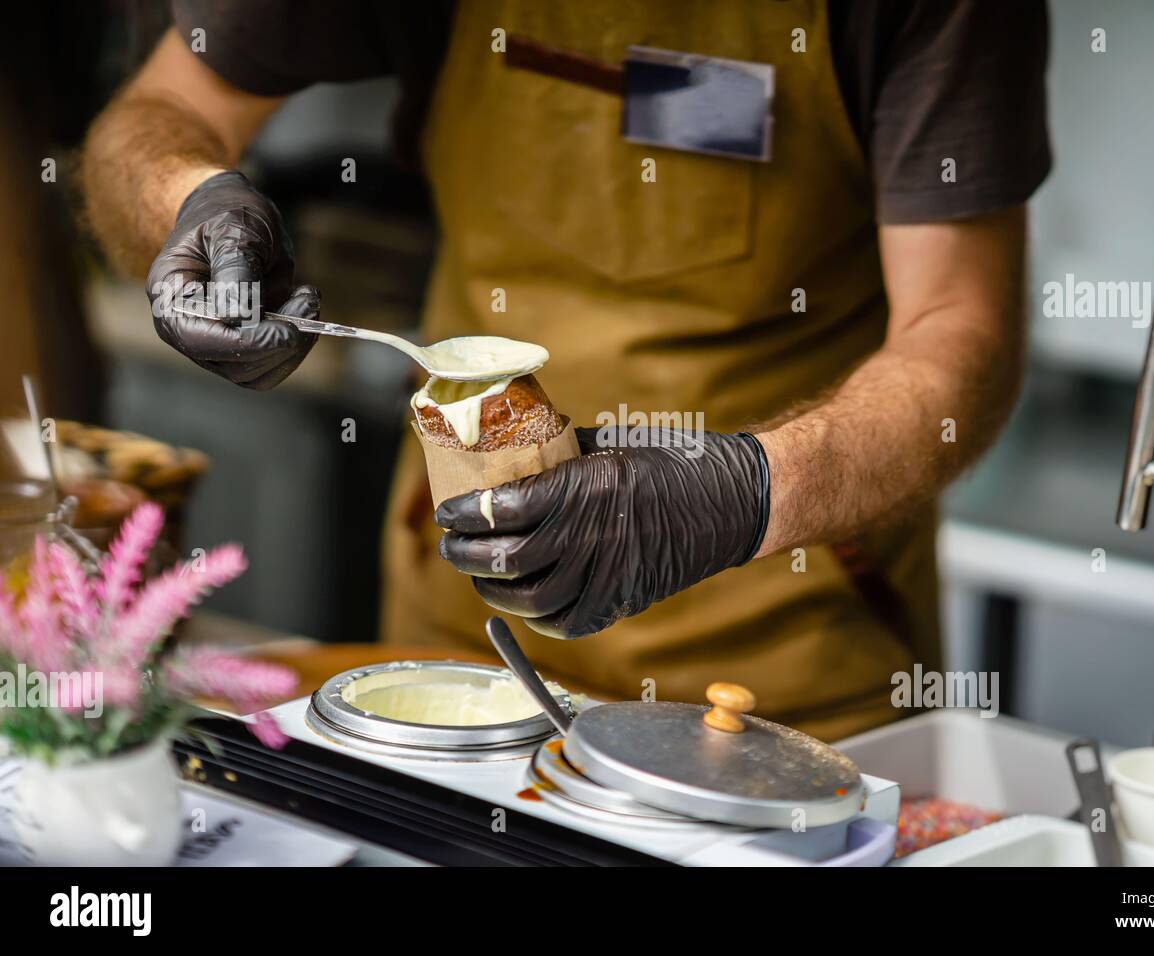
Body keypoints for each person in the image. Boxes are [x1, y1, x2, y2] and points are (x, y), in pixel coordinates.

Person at [82, 0, 1050, 741]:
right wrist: (192, 206)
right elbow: (162, 108)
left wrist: (739, 494)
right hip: (466, 630)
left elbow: (962, 329)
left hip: (784, 652)